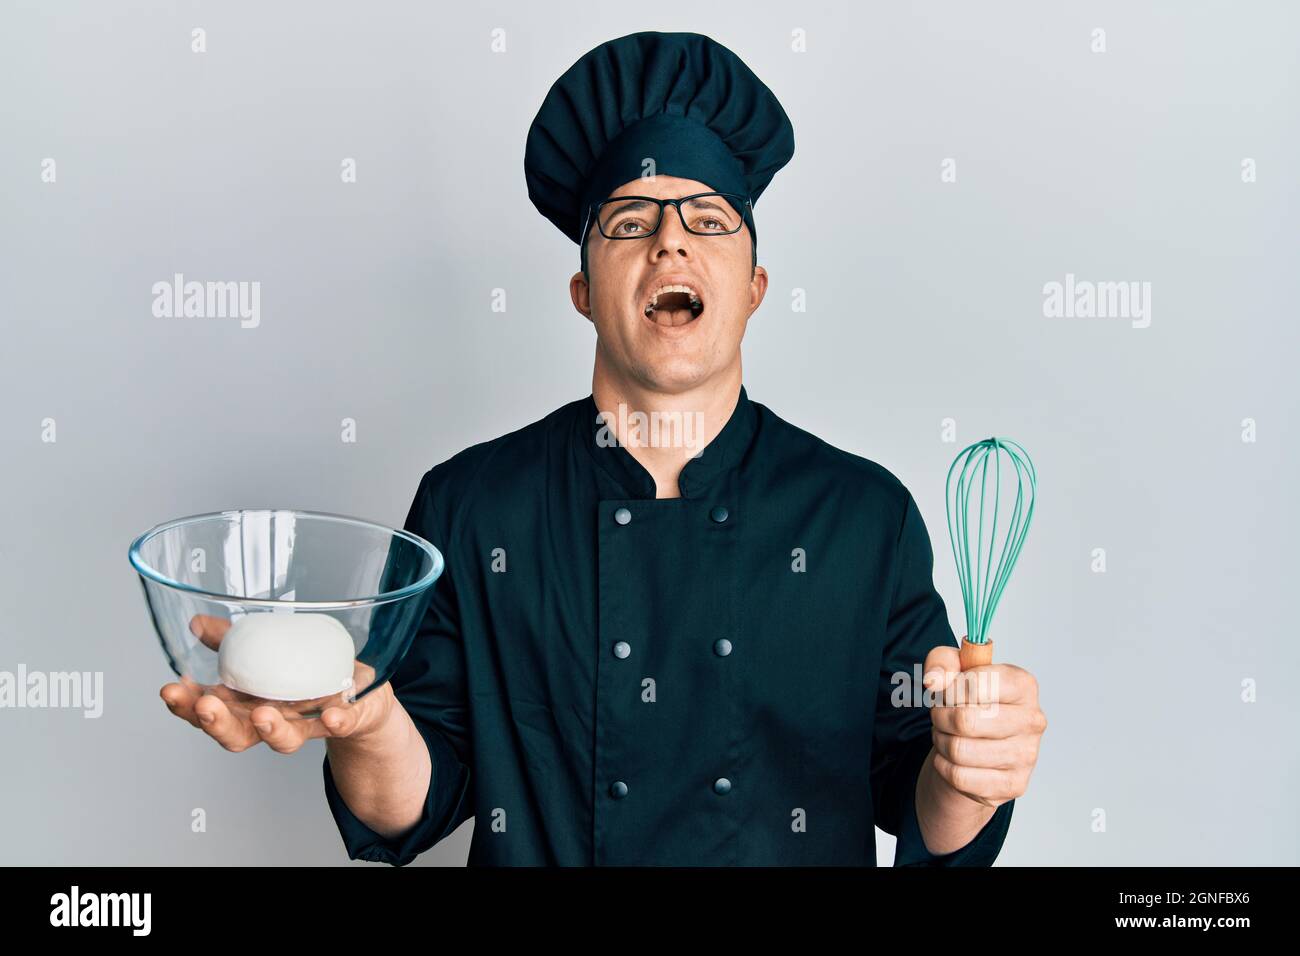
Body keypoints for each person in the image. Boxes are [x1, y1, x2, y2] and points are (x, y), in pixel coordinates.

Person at [161, 31, 1046, 866]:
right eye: (629, 222)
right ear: (584, 291)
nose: (669, 239)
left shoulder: (863, 517)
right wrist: (364, 722)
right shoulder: (473, 507)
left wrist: (971, 774)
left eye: (707, 220)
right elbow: (412, 801)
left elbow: (917, 798)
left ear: (754, 287)